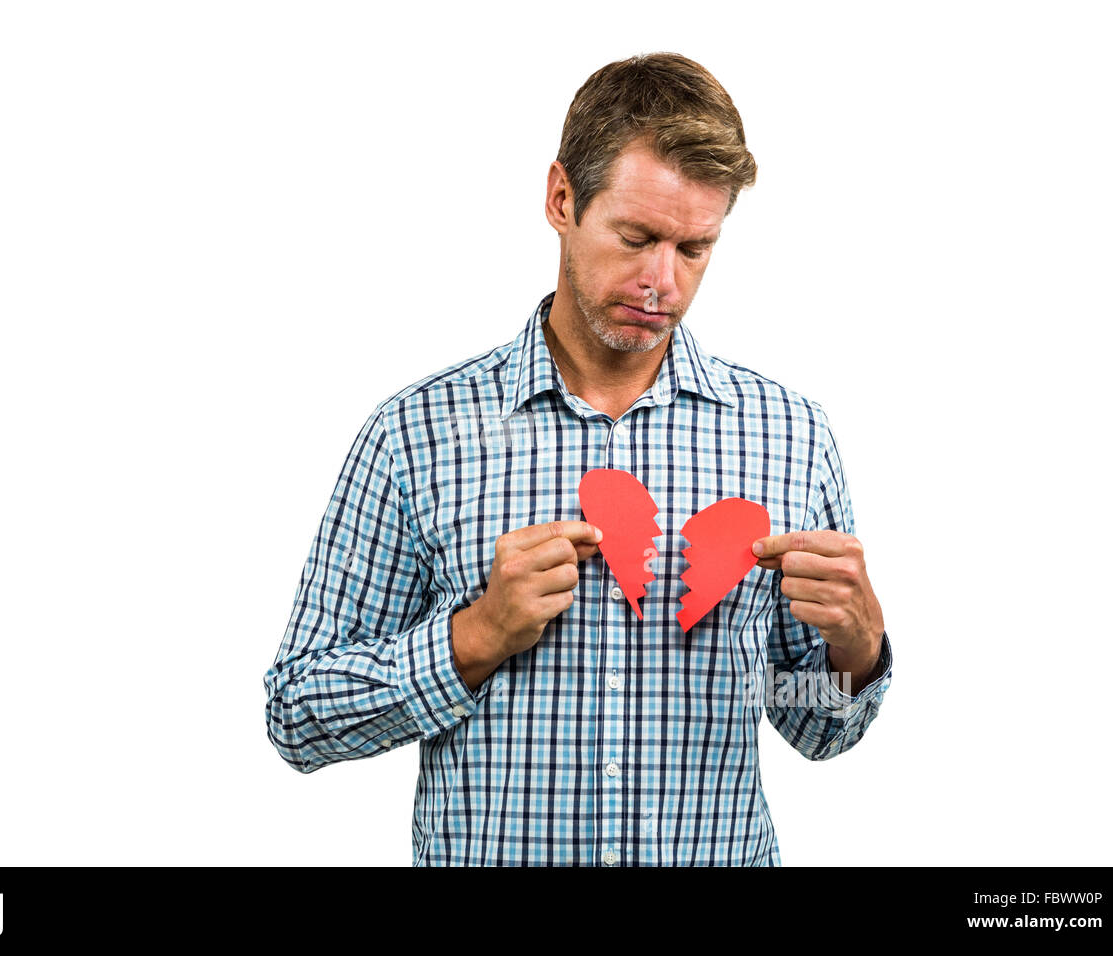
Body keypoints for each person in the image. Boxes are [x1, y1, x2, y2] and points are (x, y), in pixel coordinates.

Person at [263, 52, 893, 866]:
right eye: (636, 237)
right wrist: (473, 637)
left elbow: (813, 727)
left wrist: (856, 650)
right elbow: (298, 717)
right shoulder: (417, 433)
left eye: (695, 248)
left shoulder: (790, 434)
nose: (661, 282)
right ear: (561, 199)